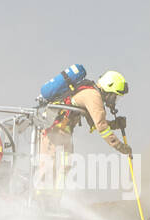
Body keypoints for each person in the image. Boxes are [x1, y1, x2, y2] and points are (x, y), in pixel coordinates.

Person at [38, 69, 132, 197]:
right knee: (49, 165)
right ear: (109, 88)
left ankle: (54, 199)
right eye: (115, 95)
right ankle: (40, 199)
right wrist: (121, 147)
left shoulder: (91, 93)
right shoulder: (93, 96)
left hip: (63, 131)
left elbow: (95, 124)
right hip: (54, 129)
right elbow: (101, 127)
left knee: (66, 165)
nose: (114, 99)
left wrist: (116, 124)